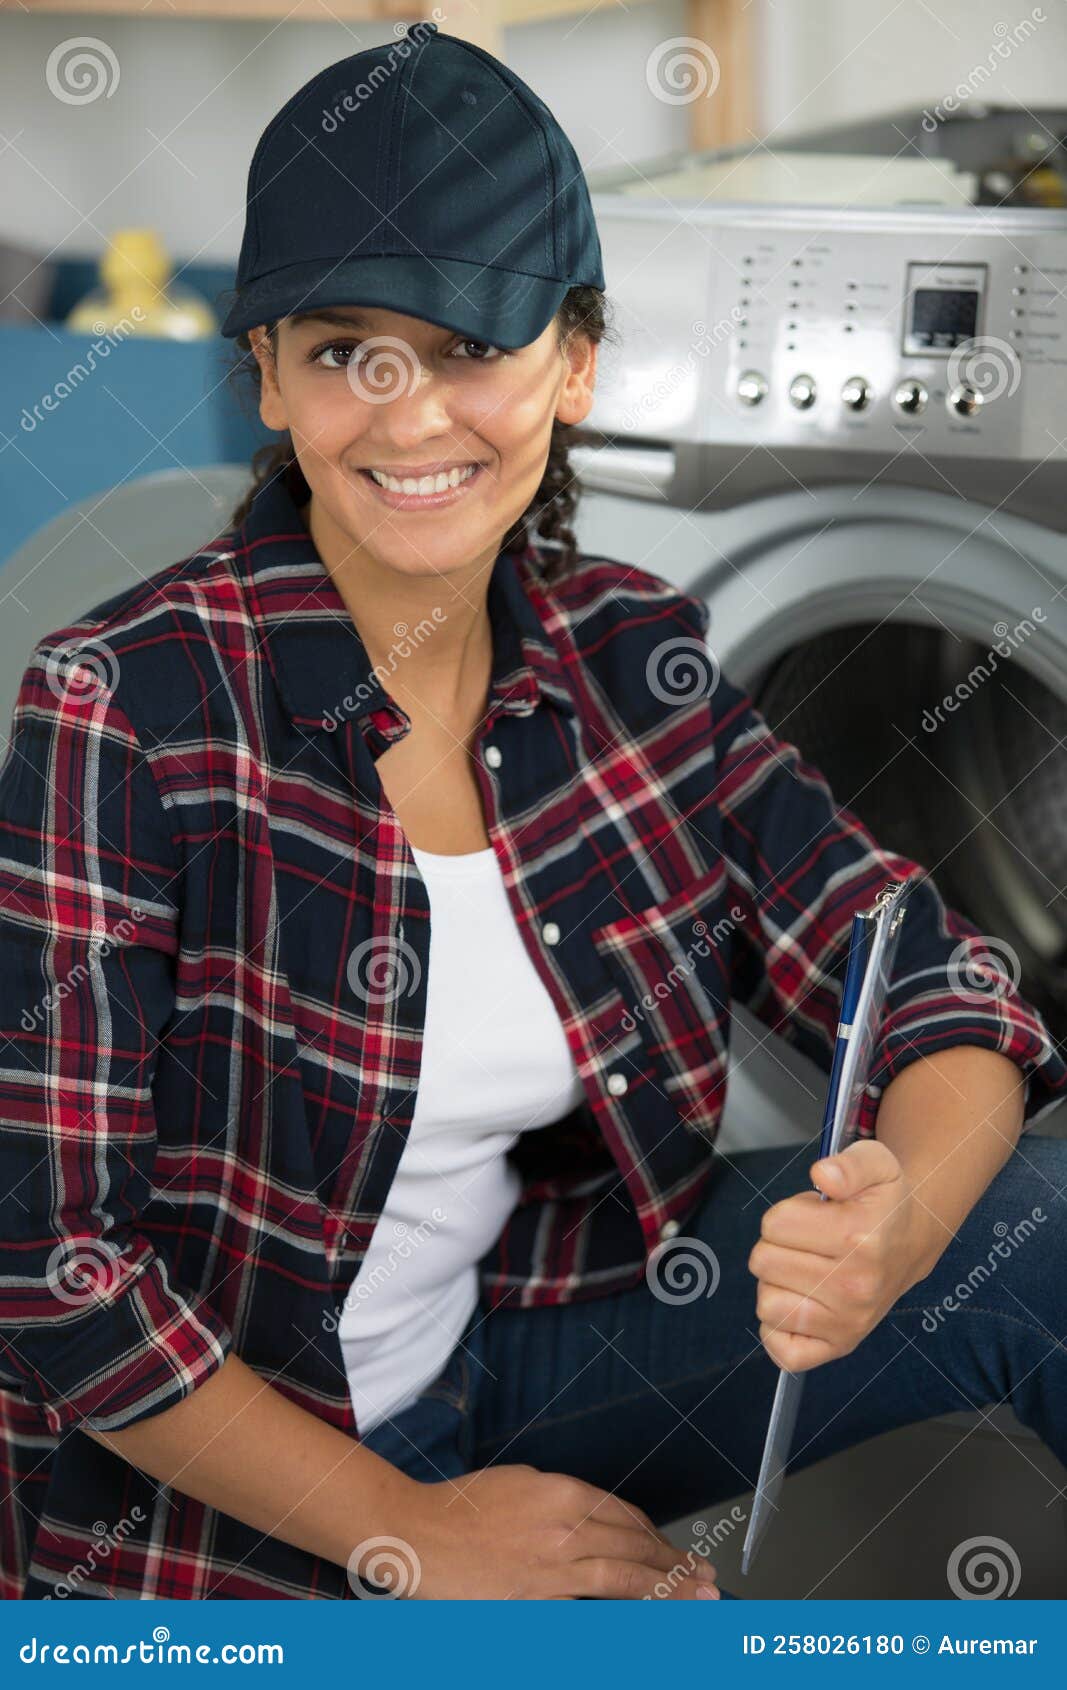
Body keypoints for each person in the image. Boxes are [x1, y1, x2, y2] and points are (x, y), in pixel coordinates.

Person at [1, 24, 1065, 1603]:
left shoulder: (629, 654)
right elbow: (57, 1274)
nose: (410, 416)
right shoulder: (116, 706)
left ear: (575, 364)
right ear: (271, 381)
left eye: (473, 349)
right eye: (347, 349)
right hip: (209, 1490)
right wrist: (412, 1531)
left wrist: (901, 1219)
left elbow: (929, 975)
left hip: (500, 1345)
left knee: (1041, 1230)